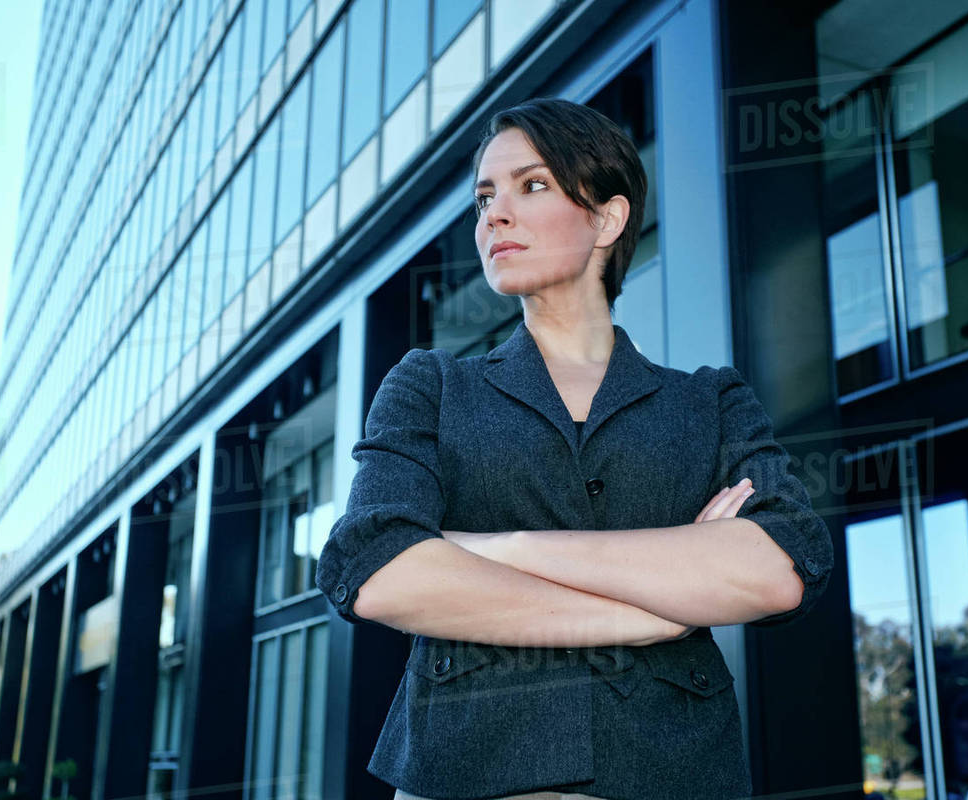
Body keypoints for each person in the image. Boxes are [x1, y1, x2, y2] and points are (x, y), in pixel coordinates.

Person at [315, 98, 834, 800]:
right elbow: (376, 571)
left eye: (532, 186)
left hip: (671, 771)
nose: (494, 214)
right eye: (485, 196)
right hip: (467, 773)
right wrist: (656, 610)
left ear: (608, 218)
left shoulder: (709, 400)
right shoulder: (429, 385)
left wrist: (509, 546)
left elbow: (782, 564)